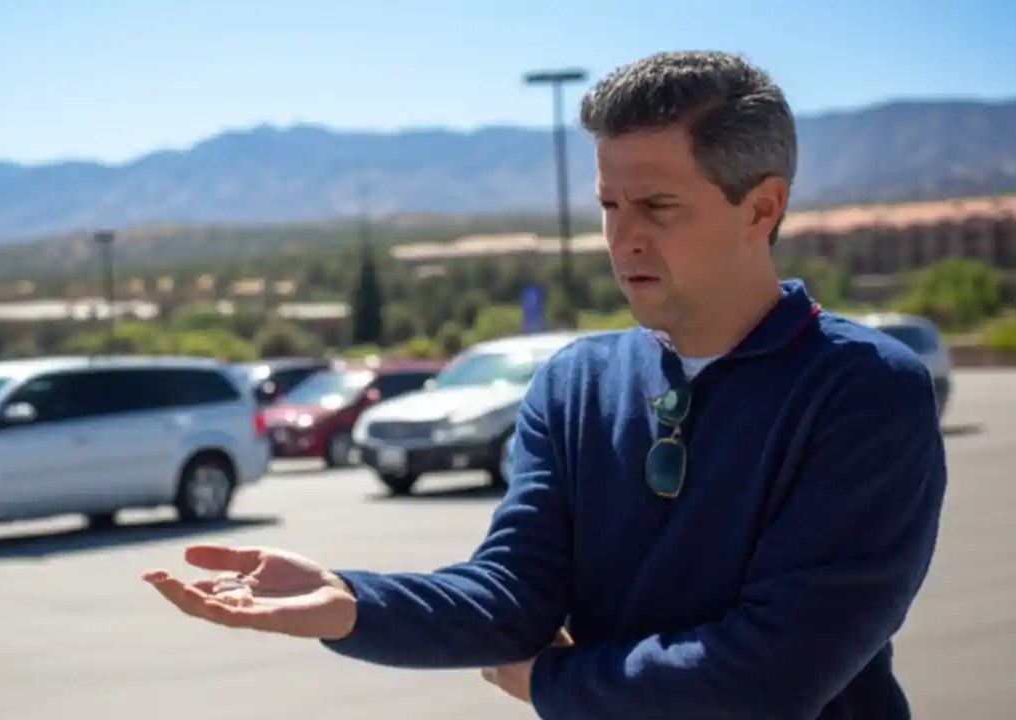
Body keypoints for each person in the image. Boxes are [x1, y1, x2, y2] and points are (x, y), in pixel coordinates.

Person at [142, 50, 946, 719]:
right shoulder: (575, 383)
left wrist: (556, 682)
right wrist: (349, 602)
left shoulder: (864, 390)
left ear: (761, 207)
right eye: (607, 204)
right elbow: (514, 595)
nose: (623, 237)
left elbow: (773, 675)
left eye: (658, 205)